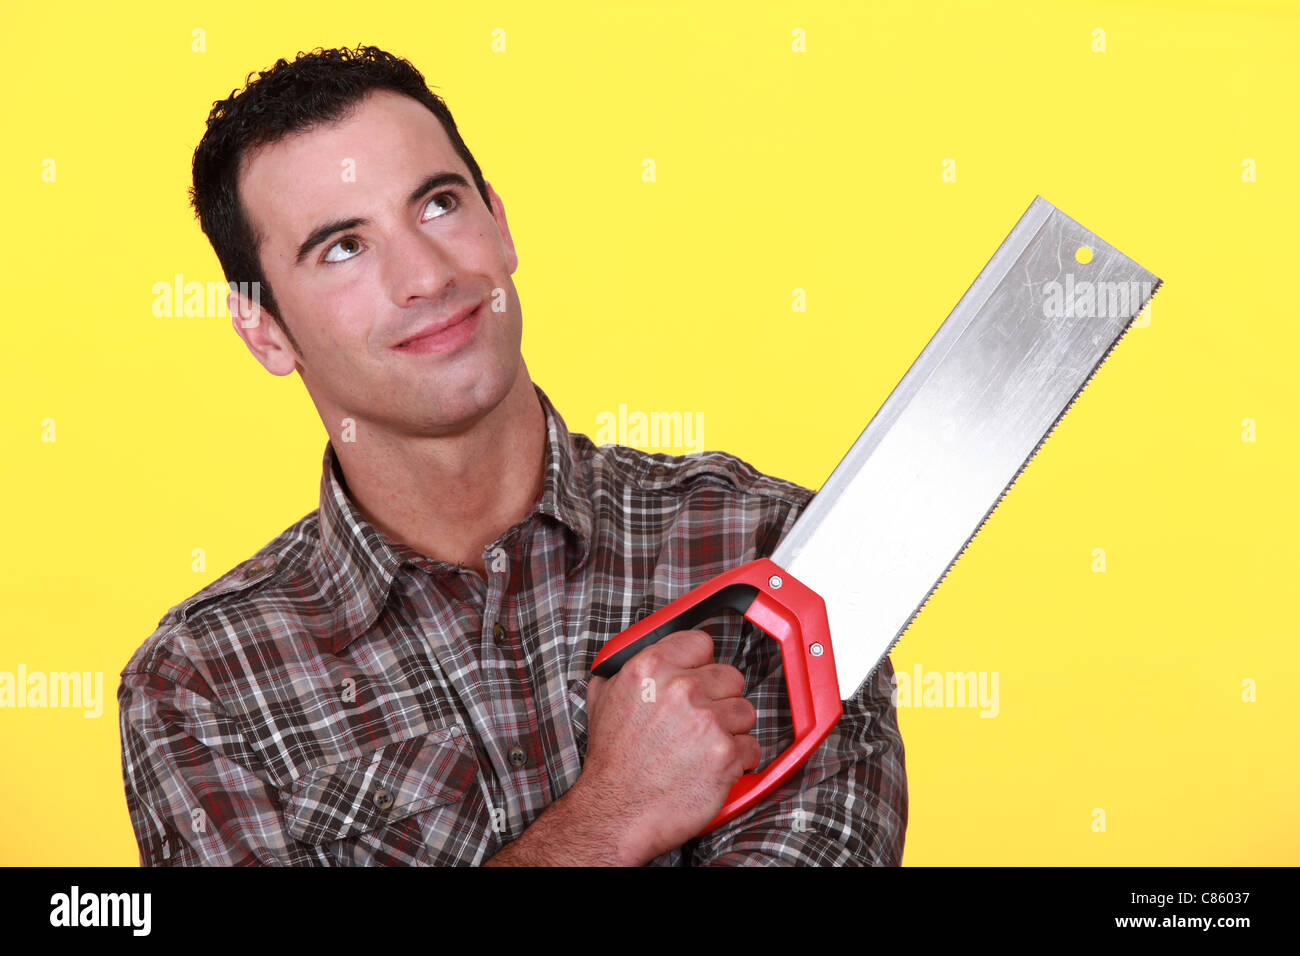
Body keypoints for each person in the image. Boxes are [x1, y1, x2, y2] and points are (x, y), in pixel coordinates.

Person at [117, 44, 907, 866]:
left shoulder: (770, 547)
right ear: (264, 328)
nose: (425, 275)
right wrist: (610, 817)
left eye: (437, 205)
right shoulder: (200, 685)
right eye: (344, 247)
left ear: (499, 222)